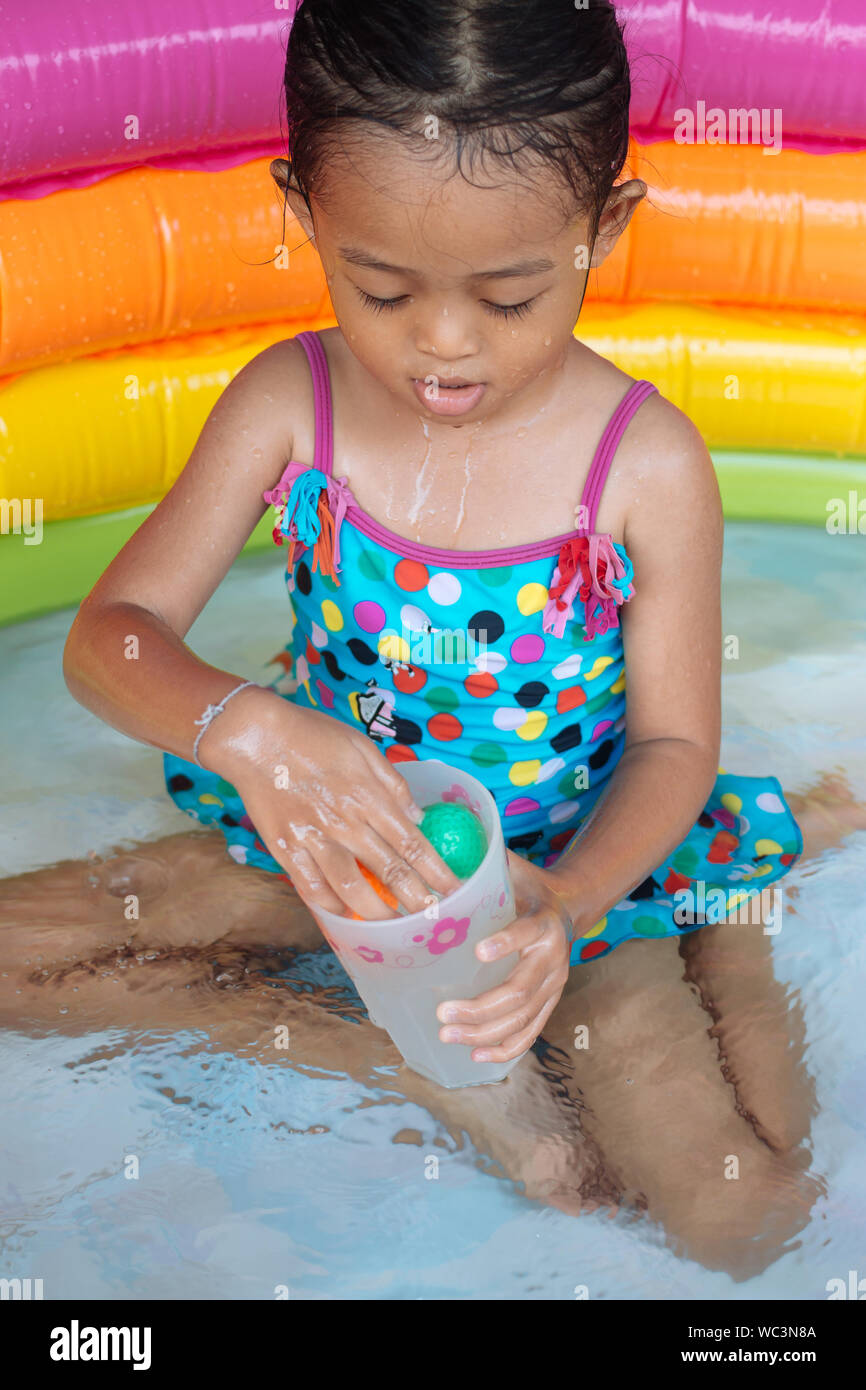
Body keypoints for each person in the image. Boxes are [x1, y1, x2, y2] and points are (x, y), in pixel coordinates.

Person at [47, 0, 858, 1270]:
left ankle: (730, 911)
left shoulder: (640, 464)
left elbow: (674, 739)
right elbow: (107, 637)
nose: (439, 341)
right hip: (333, 851)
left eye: (508, 293)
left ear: (604, 229)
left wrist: (570, 901)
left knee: (739, 1224)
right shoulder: (290, 403)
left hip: (566, 869)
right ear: (301, 212)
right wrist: (248, 731)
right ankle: (395, 1057)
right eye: (379, 286)